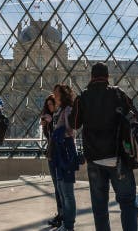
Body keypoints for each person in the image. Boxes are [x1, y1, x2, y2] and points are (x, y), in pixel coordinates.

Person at [69, 62, 138, 231]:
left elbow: (74, 123)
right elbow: (135, 115)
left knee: (100, 208)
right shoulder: (118, 93)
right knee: (128, 203)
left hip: (95, 159)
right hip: (119, 157)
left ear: (91, 77)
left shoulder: (83, 97)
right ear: (107, 76)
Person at [51, 84, 78, 231]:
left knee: (67, 193)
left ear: (63, 94)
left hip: (65, 153)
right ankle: (66, 223)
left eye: (56, 93)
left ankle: (69, 225)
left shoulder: (67, 110)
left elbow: (72, 131)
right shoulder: (60, 110)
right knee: (61, 191)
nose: (54, 95)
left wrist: (59, 131)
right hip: (59, 153)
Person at [42, 93, 65, 227]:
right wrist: (45, 125)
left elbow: (64, 132)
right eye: (48, 105)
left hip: (59, 156)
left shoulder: (59, 117)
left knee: (60, 188)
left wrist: (52, 122)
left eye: (52, 104)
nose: (50, 107)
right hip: (51, 155)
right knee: (57, 187)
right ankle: (60, 213)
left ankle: (63, 215)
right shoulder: (50, 120)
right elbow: (49, 137)